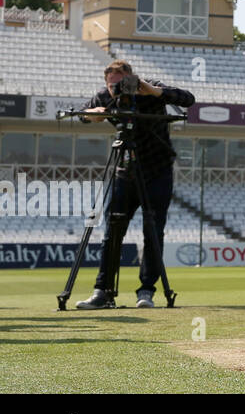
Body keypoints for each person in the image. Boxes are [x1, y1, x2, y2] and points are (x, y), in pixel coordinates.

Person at [75, 61, 195, 309]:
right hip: (124, 171)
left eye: (122, 84)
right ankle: (102, 291)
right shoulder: (104, 95)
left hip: (157, 171)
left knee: (153, 232)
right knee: (112, 233)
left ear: (133, 78)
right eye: (112, 86)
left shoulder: (151, 89)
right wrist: (93, 114)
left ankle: (146, 291)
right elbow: (83, 115)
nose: (117, 90)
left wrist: (151, 90)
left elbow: (188, 99)